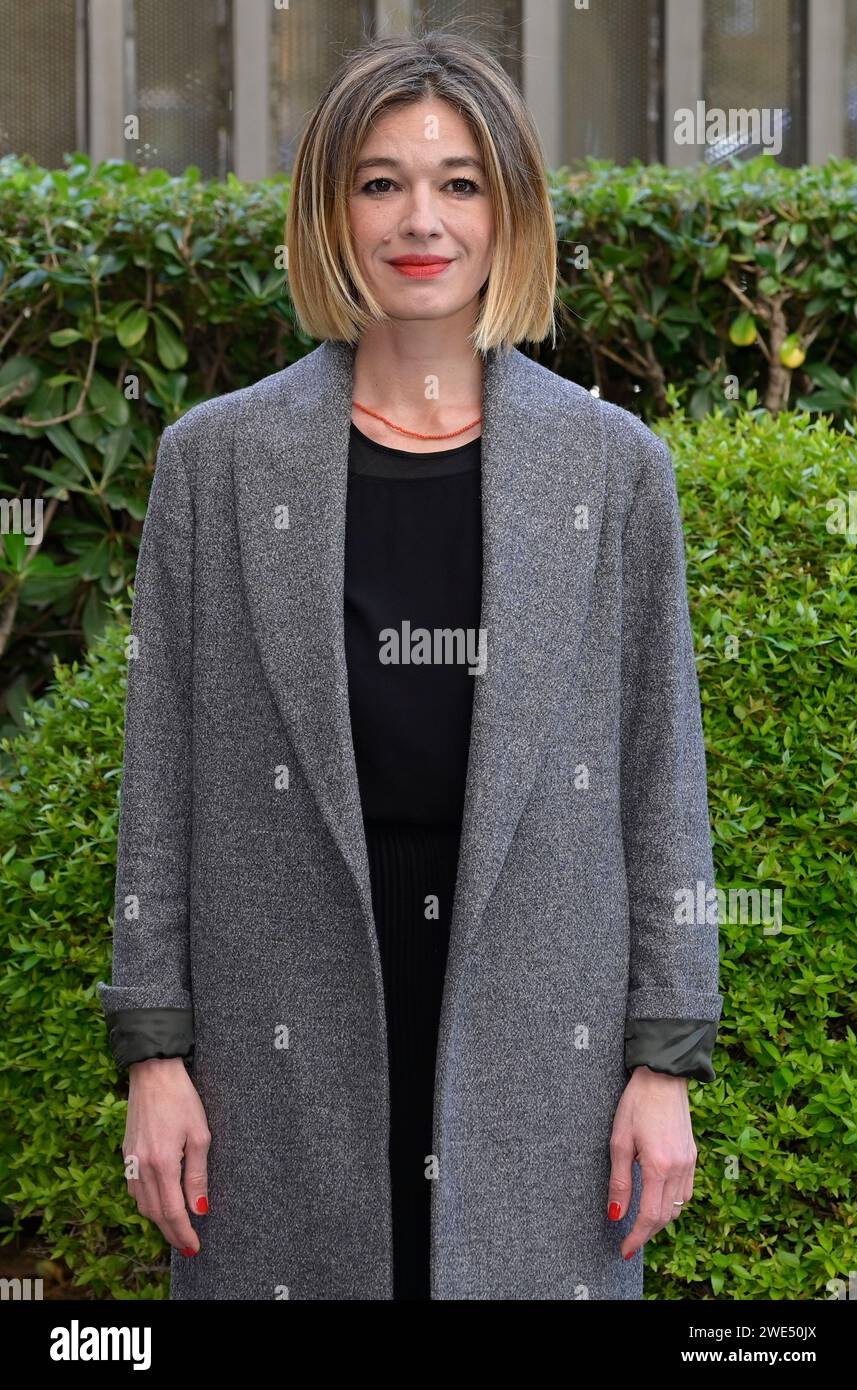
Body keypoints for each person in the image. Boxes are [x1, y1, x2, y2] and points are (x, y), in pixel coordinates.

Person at [98, 30, 722, 1301]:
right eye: (379, 182)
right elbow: (160, 771)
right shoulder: (214, 463)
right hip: (283, 997)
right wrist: (153, 1050)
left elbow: (662, 778)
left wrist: (663, 1060)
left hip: (539, 1000)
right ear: (331, 211)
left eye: (459, 182)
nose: (419, 219)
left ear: (510, 212)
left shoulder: (612, 469)